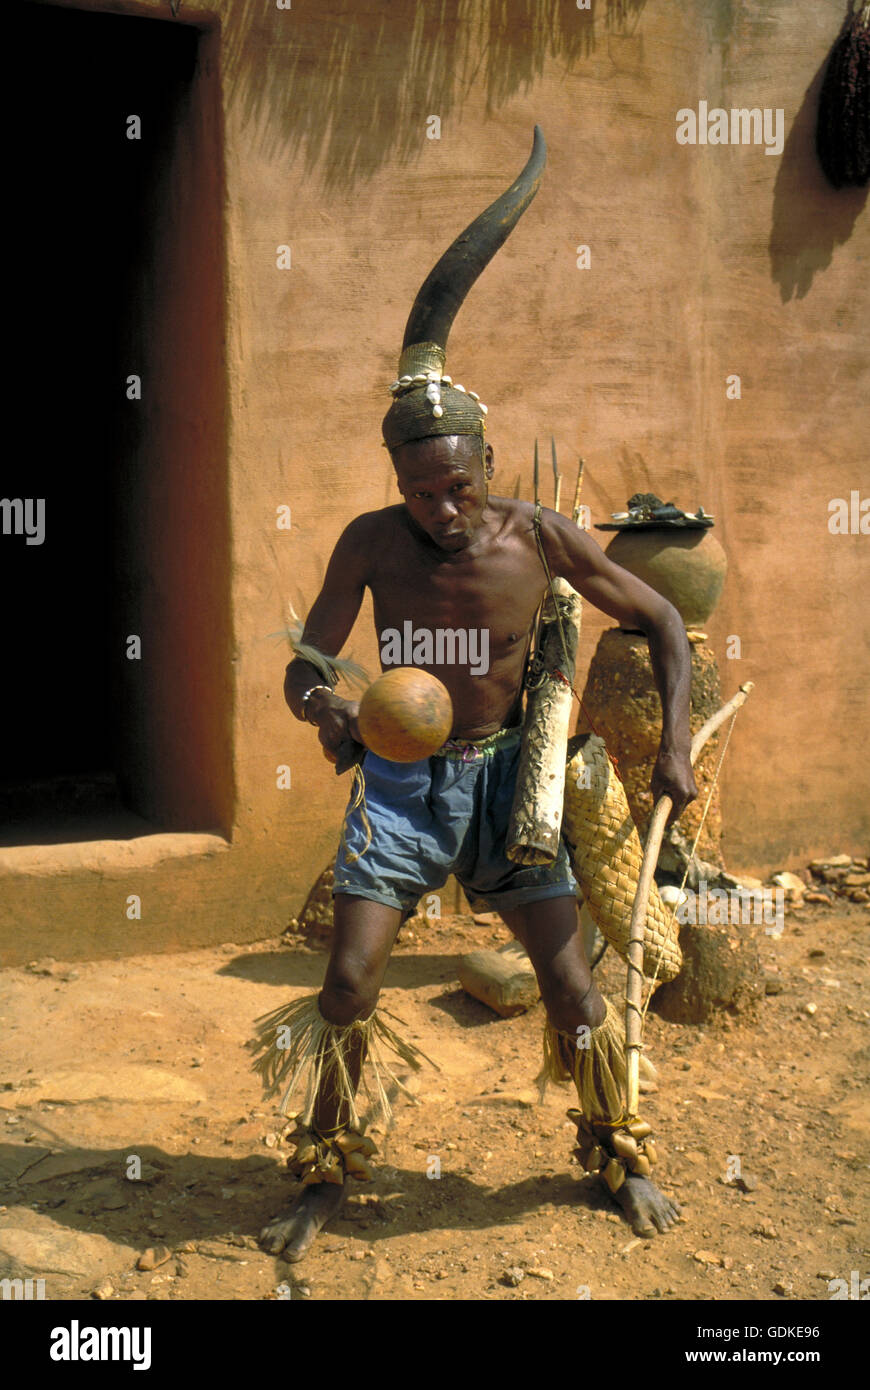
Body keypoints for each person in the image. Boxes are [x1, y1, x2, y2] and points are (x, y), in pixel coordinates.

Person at [256, 128, 697, 1263]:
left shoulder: (539, 539)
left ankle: (617, 1148)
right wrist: (334, 714)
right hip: (402, 785)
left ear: (485, 461)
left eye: (458, 484)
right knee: (347, 980)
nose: (442, 508)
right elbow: (308, 664)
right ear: (394, 480)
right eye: (419, 489)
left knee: (568, 987)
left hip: (515, 781)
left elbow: (661, 618)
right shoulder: (368, 541)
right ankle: (321, 1167)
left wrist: (678, 746)